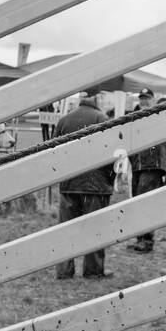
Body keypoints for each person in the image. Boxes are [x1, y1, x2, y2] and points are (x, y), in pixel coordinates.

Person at [54, 92, 115, 279]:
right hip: (95, 186)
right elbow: (112, 152)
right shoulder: (102, 119)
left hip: (69, 184)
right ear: (97, 100)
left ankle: (64, 271)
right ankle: (93, 270)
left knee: (67, 231)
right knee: (95, 230)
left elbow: (54, 153)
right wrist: (110, 181)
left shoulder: (64, 120)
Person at [127, 89, 166, 253]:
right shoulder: (133, 115)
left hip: (152, 164)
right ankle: (140, 238)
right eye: (142, 98)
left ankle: (147, 240)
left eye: (147, 98)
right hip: (137, 164)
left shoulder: (158, 114)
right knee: (138, 202)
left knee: (147, 203)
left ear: (152, 99)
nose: (144, 101)